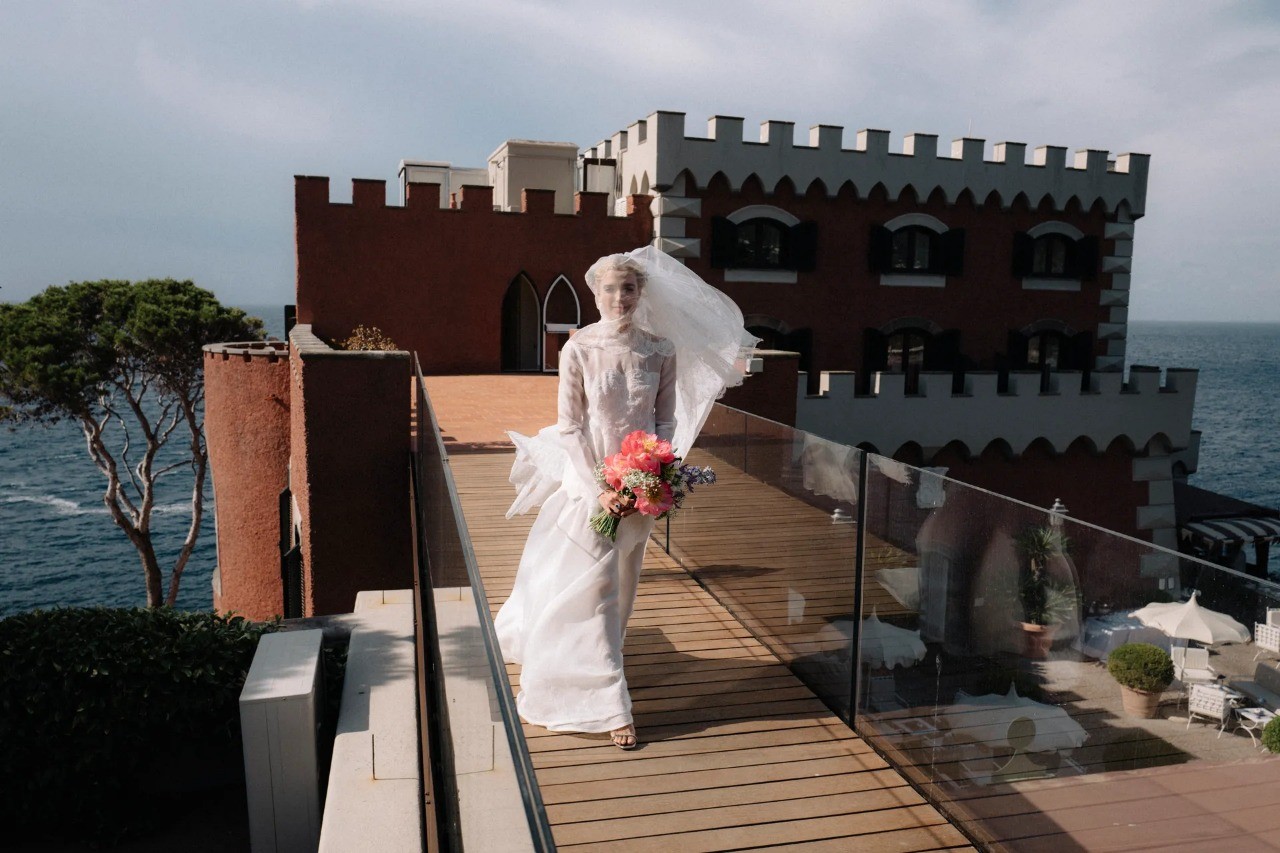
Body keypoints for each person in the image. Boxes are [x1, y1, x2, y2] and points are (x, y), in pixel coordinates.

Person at [495, 246, 757, 750]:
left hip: (642, 485)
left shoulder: (661, 349)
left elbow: (665, 422)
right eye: (611, 288)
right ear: (596, 293)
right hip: (591, 483)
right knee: (596, 591)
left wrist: (655, 472)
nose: (620, 297)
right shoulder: (578, 348)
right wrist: (601, 487)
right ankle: (608, 705)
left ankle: (597, 657)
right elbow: (571, 428)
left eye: (629, 288)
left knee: (623, 583)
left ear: (641, 294)